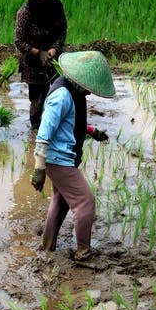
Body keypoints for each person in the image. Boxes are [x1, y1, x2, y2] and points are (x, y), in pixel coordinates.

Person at [30, 50, 115, 262]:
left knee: (61, 201)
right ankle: (83, 252)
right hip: (58, 160)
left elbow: (69, 122)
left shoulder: (73, 91)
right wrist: (39, 168)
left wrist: (91, 131)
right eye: (89, 86)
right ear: (81, 80)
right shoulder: (61, 96)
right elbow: (44, 133)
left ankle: (47, 247)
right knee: (85, 201)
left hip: (63, 159)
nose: (90, 91)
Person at [14, 0, 70, 131]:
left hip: (53, 59)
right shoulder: (25, 12)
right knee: (38, 99)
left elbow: (62, 31)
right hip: (32, 61)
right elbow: (19, 41)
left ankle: (53, 126)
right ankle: (36, 131)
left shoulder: (57, 7)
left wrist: (53, 50)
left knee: (56, 93)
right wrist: (39, 53)